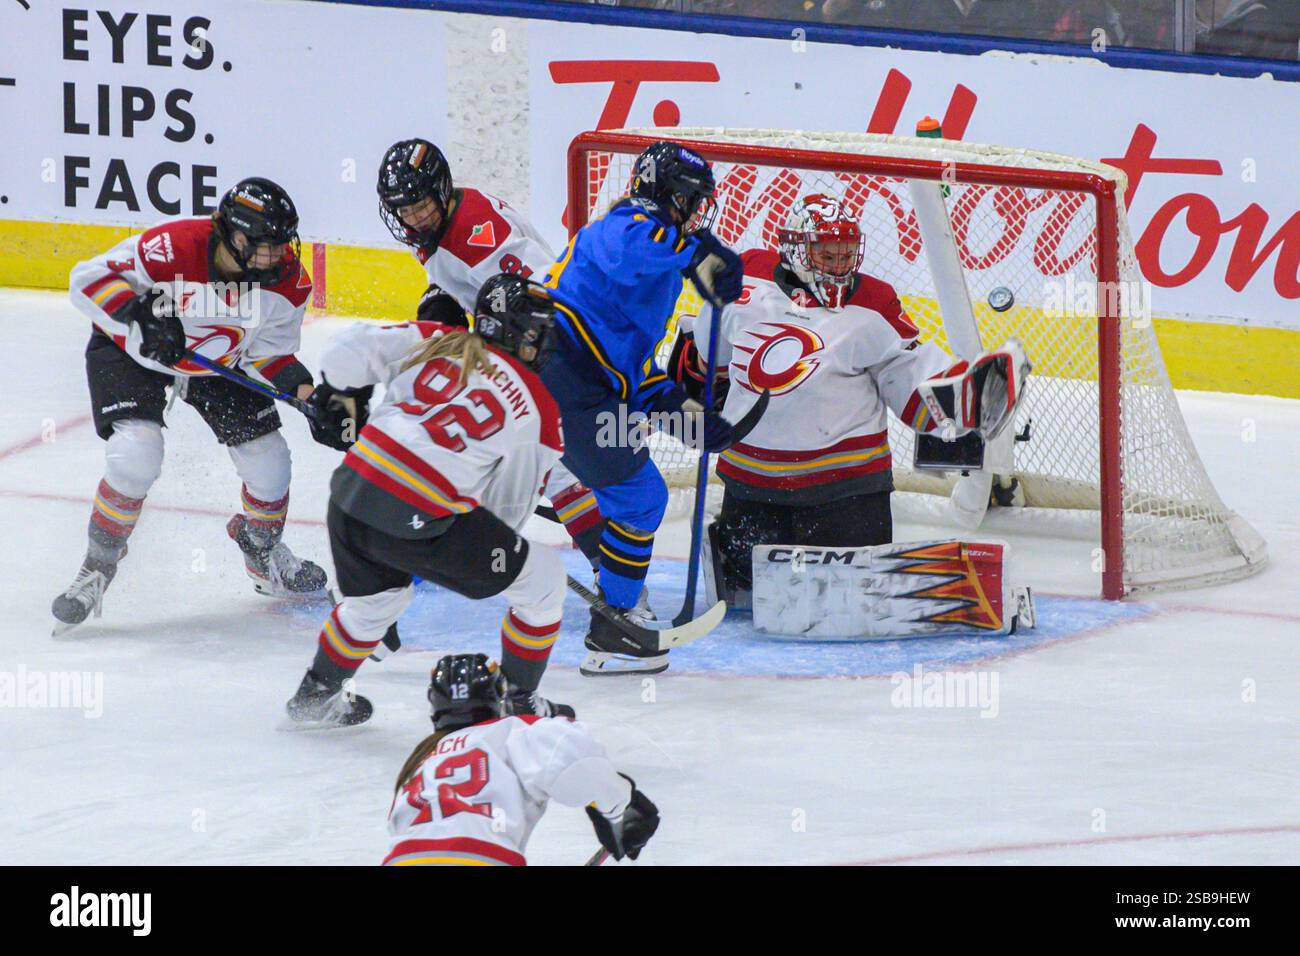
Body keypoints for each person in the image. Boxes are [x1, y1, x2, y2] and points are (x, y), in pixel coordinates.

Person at [285, 275, 572, 727]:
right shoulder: (541, 408)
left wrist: (346, 396)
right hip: (417, 516)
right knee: (545, 580)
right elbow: (506, 515)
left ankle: (312, 698)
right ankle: (520, 705)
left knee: (375, 605)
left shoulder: (438, 339)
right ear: (526, 335)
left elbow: (343, 355)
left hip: (350, 491)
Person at [52, 177, 326, 634]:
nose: (281, 256)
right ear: (237, 239)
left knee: (270, 463)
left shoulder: (287, 283)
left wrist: (310, 397)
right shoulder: (172, 247)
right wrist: (138, 312)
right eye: (268, 246)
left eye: (284, 244)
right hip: (133, 351)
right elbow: (86, 281)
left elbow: (268, 355)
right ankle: (97, 566)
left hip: (215, 363)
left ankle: (261, 554)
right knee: (136, 454)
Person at [677, 194, 957, 607]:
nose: (840, 264)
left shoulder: (873, 303)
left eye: (847, 254)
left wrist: (953, 400)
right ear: (795, 251)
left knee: (847, 600)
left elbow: (907, 373)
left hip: (845, 492)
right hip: (752, 486)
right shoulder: (746, 279)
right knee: (751, 600)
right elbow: (706, 356)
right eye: (828, 254)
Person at [539, 140, 745, 676]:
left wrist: (691, 419)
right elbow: (629, 247)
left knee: (627, 493)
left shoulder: (654, 266)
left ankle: (618, 615)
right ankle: (615, 632)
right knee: (638, 496)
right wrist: (695, 251)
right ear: (665, 194)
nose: (696, 214)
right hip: (560, 379)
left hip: (575, 386)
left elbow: (635, 375)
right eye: (690, 201)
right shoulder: (625, 227)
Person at [376, 137, 608, 568]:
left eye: (420, 205)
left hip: (547, 351)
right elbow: (466, 282)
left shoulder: (477, 237)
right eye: (404, 210)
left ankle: (616, 581)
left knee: (553, 464)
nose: (414, 216)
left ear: (441, 190)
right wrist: (441, 302)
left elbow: (541, 302)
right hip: (521, 348)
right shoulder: (443, 223)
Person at [385, 653, 659, 866]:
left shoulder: (419, 764)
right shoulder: (515, 729)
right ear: (497, 698)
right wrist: (620, 807)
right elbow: (577, 763)